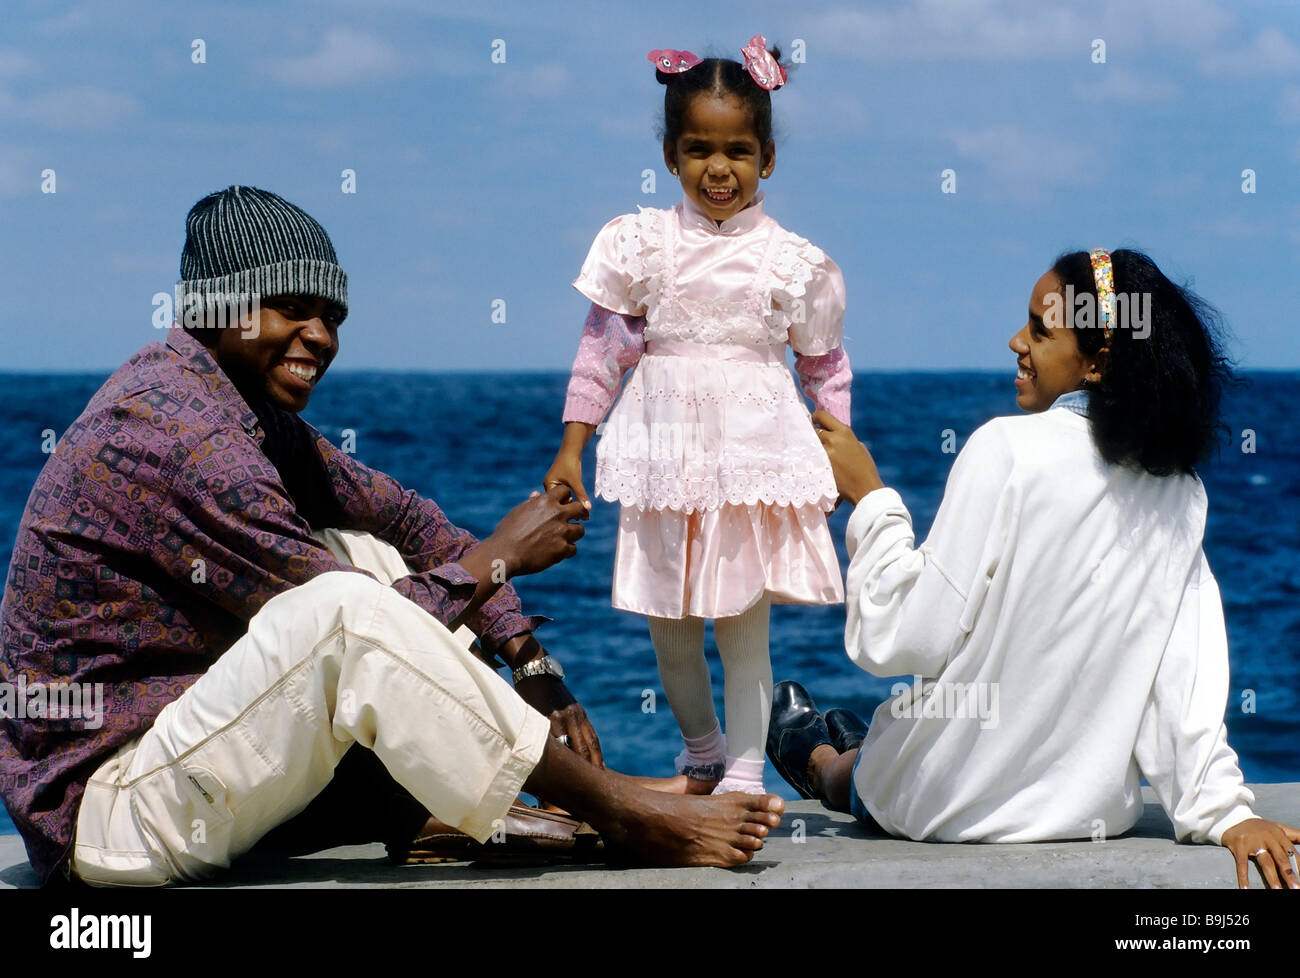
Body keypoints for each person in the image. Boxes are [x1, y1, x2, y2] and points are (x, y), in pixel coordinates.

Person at [0, 185, 784, 887]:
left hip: (178, 760)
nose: (320, 337)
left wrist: (530, 659)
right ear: (218, 307)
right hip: (107, 816)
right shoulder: (175, 434)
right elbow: (353, 631)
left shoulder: (236, 408)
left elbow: (404, 518)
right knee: (345, 605)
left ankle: (473, 806)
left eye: (333, 316)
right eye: (291, 308)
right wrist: (498, 558)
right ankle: (617, 811)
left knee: (368, 552)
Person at [767, 248, 1300, 888]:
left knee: (864, 770)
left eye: (1041, 330)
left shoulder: (1005, 448)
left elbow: (902, 638)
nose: (1016, 341)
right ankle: (866, 744)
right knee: (902, 735)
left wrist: (872, 496)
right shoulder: (1179, 492)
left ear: (1099, 360)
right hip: (1086, 809)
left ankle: (823, 758)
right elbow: (1182, 675)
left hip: (948, 804)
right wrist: (1223, 812)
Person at [543, 36, 852, 796]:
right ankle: (705, 754)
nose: (720, 168)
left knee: (745, 624)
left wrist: (839, 449)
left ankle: (748, 775)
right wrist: (570, 449)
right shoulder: (642, 244)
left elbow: (823, 366)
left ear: (768, 158)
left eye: (739, 150)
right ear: (672, 156)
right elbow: (601, 352)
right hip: (663, 459)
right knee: (670, 625)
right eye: (699, 149)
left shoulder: (794, 262)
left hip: (750, 460)